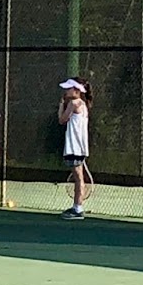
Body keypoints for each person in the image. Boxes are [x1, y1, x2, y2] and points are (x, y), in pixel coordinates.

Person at [57, 77, 91, 218]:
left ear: (76, 90)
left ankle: (78, 209)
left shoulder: (74, 103)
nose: (66, 90)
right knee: (78, 178)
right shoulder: (81, 104)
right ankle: (77, 207)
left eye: (68, 88)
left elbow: (61, 120)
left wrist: (60, 106)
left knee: (78, 179)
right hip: (77, 147)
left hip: (75, 147)